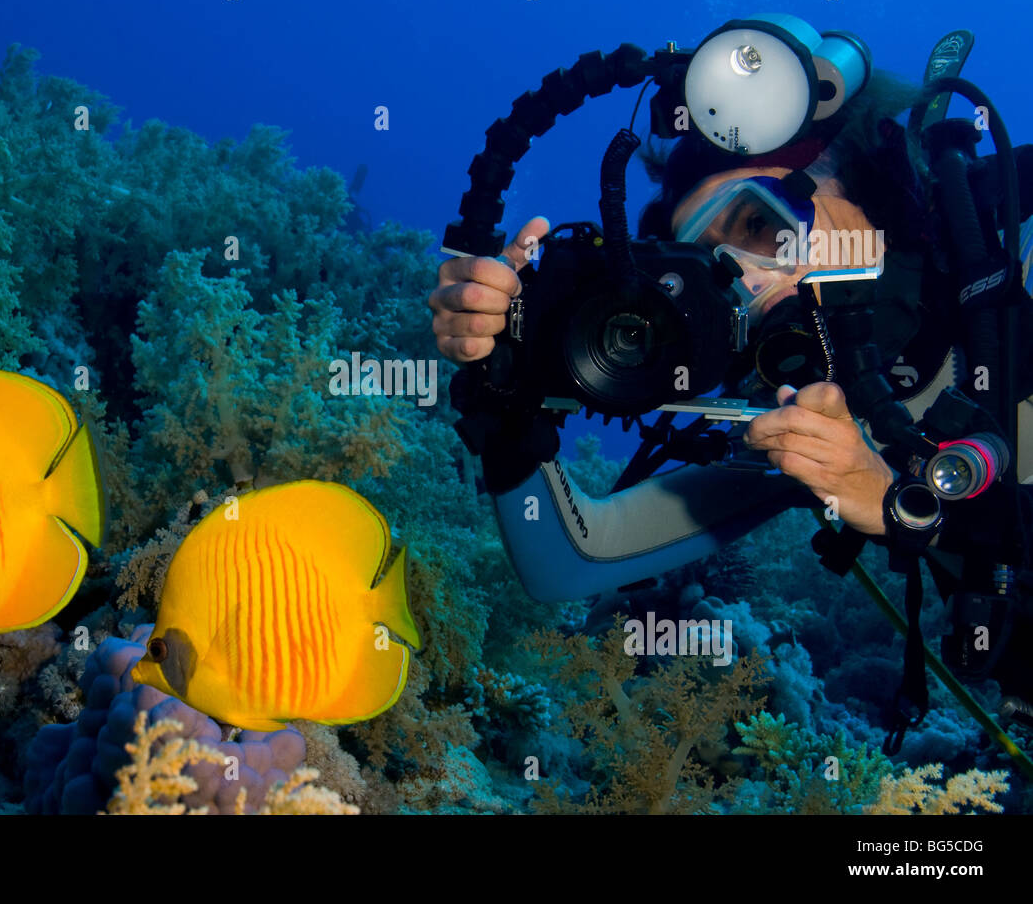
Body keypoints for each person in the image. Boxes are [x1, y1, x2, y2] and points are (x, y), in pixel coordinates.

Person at [428, 66, 1033, 705]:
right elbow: (570, 560)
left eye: (760, 226)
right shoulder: (796, 424)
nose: (747, 281)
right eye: (712, 272)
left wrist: (903, 506)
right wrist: (506, 395)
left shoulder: (1017, 248)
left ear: (869, 185)